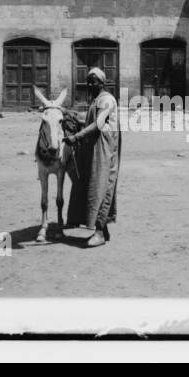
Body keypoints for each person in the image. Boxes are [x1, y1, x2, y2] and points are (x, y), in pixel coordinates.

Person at [64, 66, 121, 247]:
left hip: (104, 150)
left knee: (101, 186)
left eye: (94, 81)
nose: (90, 84)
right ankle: (103, 230)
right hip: (94, 149)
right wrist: (70, 115)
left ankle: (99, 233)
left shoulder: (107, 100)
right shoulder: (96, 100)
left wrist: (76, 137)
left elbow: (97, 124)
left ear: (102, 83)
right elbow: (89, 120)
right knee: (91, 184)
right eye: (88, 81)